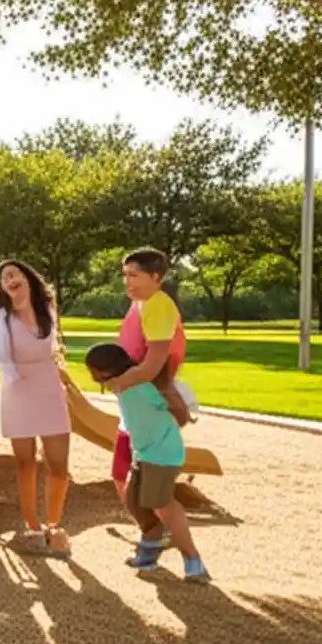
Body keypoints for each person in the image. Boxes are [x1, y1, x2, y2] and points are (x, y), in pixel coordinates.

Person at [85, 343, 210, 583]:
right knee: (133, 500)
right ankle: (152, 544)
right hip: (143, 453)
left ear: (107, 368)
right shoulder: (123, 385)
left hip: (163, 453)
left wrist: (181, 415)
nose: (92, 376)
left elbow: (172, 402)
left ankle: (193, 560)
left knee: (161, 504)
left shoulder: (141, 386)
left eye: (93, 370)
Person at [107, 248, 193, 553]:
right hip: (136, 403)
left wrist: (116, 381)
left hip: (148, 404)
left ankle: (162, 538)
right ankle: (152, 535)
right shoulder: (141, 305)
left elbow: (153, 365)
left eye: (134, 275)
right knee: (124, 477)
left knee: (136, 482)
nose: (127, 281)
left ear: (155, 277)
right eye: (125, 275)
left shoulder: (158, 307)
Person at [0, 259, 72, 557]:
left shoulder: (47, 310)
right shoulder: (0, 318)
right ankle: (32, 527)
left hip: (47, 385)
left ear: (26, 279)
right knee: (26, 463)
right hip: (17, 388)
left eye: (14, 273)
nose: (9, 279)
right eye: (4, 278)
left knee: (59, 466)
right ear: (2, 289)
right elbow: (1, 354)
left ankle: (53, 524)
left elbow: (53, 350)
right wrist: (10, 376)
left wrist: (62, 378)